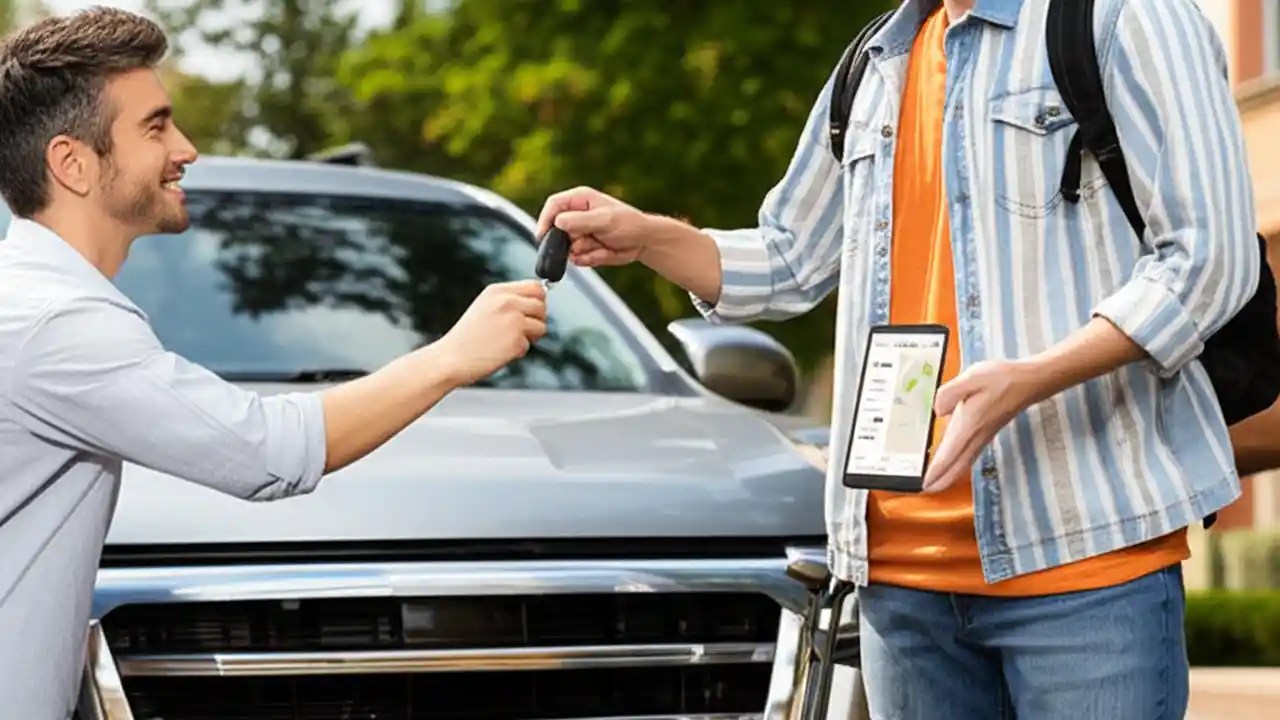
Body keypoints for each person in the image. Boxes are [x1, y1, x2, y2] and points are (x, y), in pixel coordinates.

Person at [538, 0, 1257, 717]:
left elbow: (1209, 260)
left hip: (1083, 564)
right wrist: (648, 237)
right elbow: (788, 259)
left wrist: (1032, 379)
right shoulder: (876, 62)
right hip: (899, 585)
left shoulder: (1125, 19)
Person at [0, 8, 547, 718]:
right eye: (157, 126)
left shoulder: (30, 303)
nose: (186, 148)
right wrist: (452, 357)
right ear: (72, 163)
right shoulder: (56, 322)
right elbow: (269, 451)